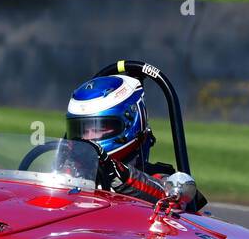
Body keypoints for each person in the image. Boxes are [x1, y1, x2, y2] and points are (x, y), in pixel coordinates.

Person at [65, 74, 174, 203]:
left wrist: (113, 170)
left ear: (130, 123)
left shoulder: (158, 178)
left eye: (98, 129)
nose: (87, 137)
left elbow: (174, 197)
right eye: (81, 130)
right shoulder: (69, 171)